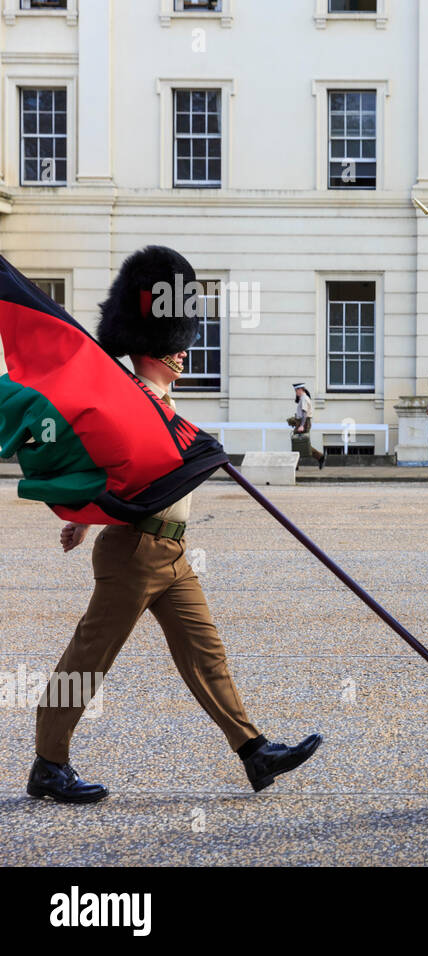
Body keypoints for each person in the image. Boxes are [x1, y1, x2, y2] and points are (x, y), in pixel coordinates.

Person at [27, 246, 323, 804]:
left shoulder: (163, 404)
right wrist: (89, 521)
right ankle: (48, 762)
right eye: (176, 348)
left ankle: (253, 752)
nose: (184, 355)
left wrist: (85, 522)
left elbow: (128, 475)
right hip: (135, 554)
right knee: (89, 659)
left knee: (205, 653)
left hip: (173, 554)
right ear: (153, 349)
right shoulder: (134, 401)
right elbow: (108, 468)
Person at [288, 383, 327, 469]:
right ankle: (297, 465)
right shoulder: (303, 398)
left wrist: (301, 425)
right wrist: (296, 421)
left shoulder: (304, 399)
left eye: (296, 391)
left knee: (300, 443)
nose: (296, 393)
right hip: (302, 422)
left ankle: (319, 457)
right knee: (299, 443)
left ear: (300, 389)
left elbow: (305, 413)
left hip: (304, 423)